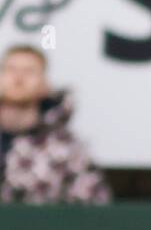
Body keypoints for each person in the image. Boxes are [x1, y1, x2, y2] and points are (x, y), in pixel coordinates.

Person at [0, 45, 111, 204]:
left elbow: (95, 204)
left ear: (44, 84)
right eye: (10, 69)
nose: (18, 78)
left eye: (29, 71)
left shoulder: (65, 149)